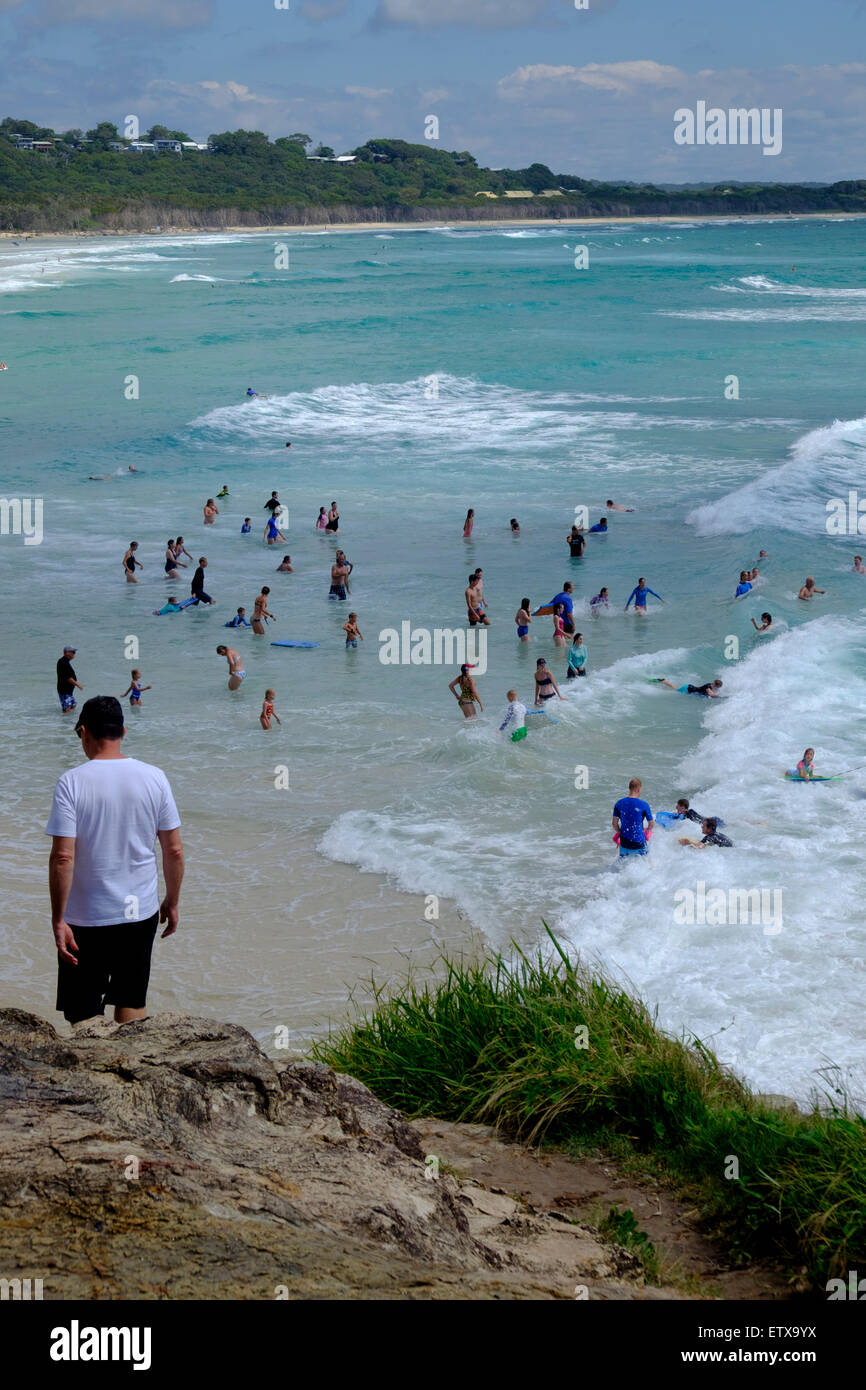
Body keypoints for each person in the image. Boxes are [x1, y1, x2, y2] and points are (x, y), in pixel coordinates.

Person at [46, 695, 184, 1025]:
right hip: (140, 912)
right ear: (123, 730)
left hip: (86, 917)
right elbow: (174, 850)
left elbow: (63, 857)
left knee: (83, 1011)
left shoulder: (72, 782)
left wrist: (58, 919)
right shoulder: (154, 777)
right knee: (131, 999)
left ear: (84, 732)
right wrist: (172, 901)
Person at [612, 777, 653, 858]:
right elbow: (651, 823)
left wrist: (620, 832)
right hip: (639, 842)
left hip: (624, 842)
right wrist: (647, 831)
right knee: (646, 863)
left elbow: (614, 824)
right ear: (638, 789)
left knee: (623, 865)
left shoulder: (619, 803)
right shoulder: (644, 804)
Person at [56, 645, 83, 713]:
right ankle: (64, 721)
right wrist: (78, 685)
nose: (74, 654)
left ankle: (67, 721)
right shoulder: (63, 662)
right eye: (73, 652)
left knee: (73, 705)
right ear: (67, 653)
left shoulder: (65, 661)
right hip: (64, 690)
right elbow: (68, 677)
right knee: (67, 708)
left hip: (68, 691)